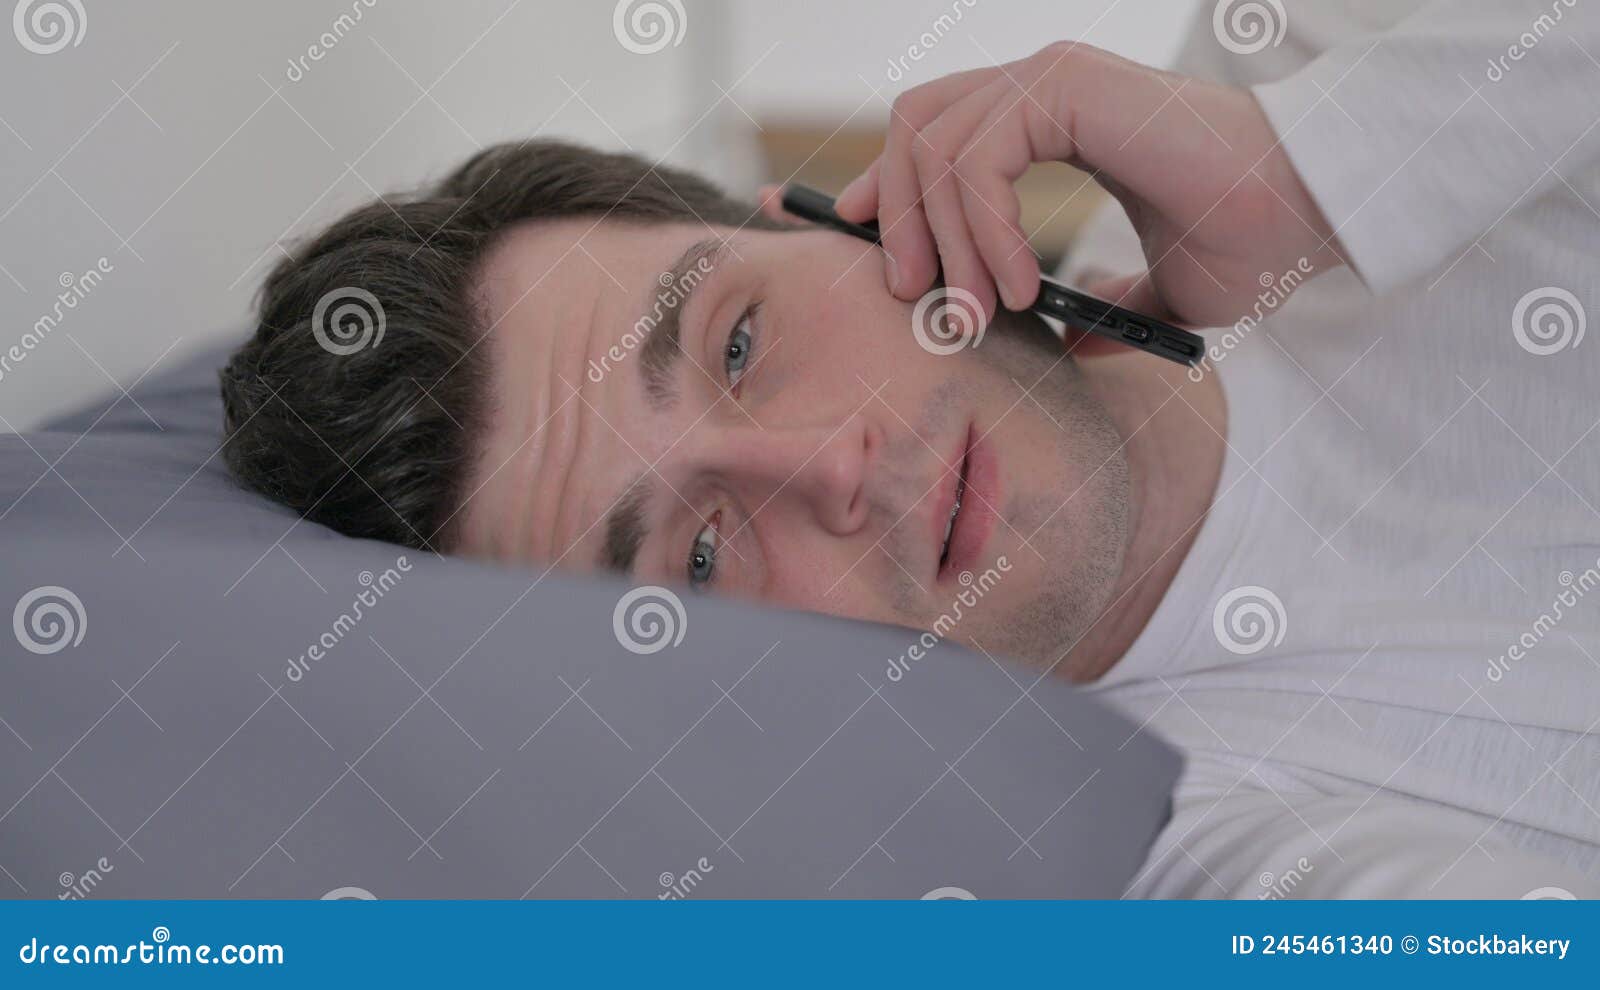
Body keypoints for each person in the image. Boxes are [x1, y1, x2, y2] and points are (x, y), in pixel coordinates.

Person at [219, 2, 1600, 898]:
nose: (828, 464)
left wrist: (1319, 170)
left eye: (740, 343)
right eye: (697, 555)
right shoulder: (1181, 859)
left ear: (819, 217)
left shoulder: (1299, 49)